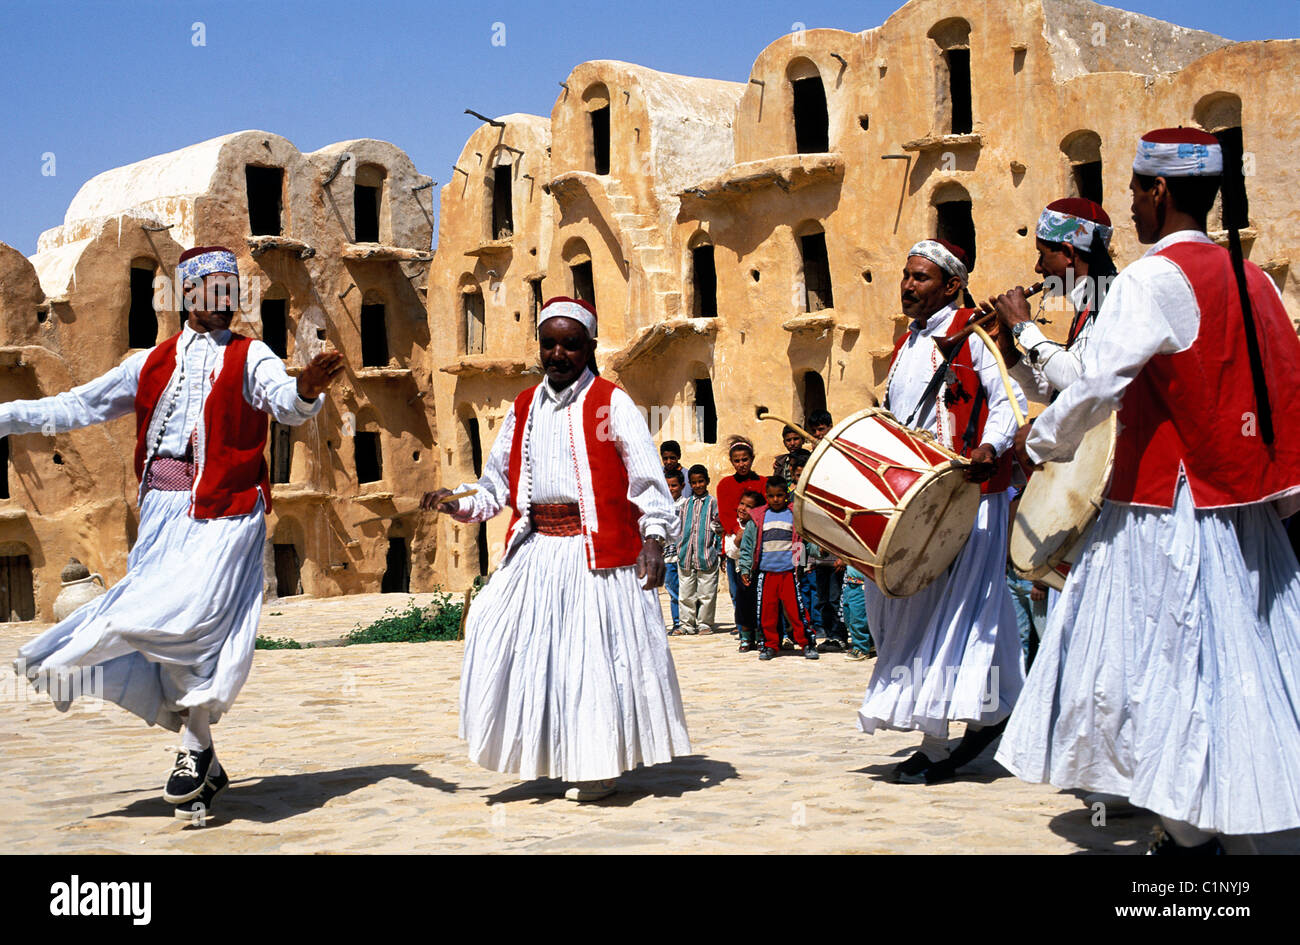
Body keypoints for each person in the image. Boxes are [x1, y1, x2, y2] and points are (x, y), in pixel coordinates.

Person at [998, 128, 1300, 854]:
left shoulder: (1150, 279)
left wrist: (1035, 444)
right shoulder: (1250, 274)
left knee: (1160, 678)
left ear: (1158, 191)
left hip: (1170, 512)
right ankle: (1228, 822)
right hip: (1246, 513)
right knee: (1247, 678)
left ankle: (1196, 834)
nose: (1129, 205)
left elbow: (1097, 381)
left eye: (1134, 189)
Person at [9, 245, 343, 820]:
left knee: (197, 623)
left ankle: (191, 750)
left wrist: (307, 386)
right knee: (149, 620)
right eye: (212, 288)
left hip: (227, 511)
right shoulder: (150, 362)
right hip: (164, 513)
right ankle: (202, 756)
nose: (225, 298)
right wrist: (7, 415)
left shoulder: (251, 355)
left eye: (231, 288)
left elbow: (284, 403)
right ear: (187, 296)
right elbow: (74, 408)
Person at [422, 297, 690, 803]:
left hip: (597, 555)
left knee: (590, 661)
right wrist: (455, 502)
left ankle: (596, 765)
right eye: (549, 343)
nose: (558, 353)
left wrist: (654, 537)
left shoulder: (613, 403)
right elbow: (495, 489)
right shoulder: (523, 407)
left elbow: (647, 480)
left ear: (590, 347)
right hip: (538, 550)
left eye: (570, 344)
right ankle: (551, 753)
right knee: (498, 630)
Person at [857, 238, 1027, 785]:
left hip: (970, 497)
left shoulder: (975, 335)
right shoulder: (908, 343)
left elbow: (1009, 406)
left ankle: (940, 741)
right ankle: (978, 721)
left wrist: (989, 449)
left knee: (959, 613)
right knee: (926, 609)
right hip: (917, 501)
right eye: (906, 275)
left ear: (951, 285)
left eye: (921, 278)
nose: (908, 285)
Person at [989, 197, 1118, 400]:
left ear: (1067, 253)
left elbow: (1075, 382)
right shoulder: (1087, 303)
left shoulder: (1109, 300)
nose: (1038, 267)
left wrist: (1022, 326)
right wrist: (1008, 352)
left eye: (1042, 255)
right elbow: (1061, 396)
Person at [739, 479, 818, 661]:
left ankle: (807, 644)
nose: (775, 499)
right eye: (771, 496)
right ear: (766, 496)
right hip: (766, 574)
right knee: (767, 612)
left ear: (786, 495)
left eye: (780, 495)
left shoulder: (794, 515)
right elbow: (748, 545)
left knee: (797, 611)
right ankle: (769, 645)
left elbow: (804, 541)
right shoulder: (758, 517)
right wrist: (745, 567)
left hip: (789, 573)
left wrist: (816, 553)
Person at [715, 437, 767, 630]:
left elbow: (764, 509)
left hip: (756, 542)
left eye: (745, 459)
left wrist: (751, 533)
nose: (741, 464)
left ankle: (757, 625)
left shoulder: (762, 482)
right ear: (732, 462)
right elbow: (725, 513)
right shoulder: (725, 485)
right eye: (737, 461)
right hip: (734, 543)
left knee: (754, 587)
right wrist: (738, 532)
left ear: (752, 459)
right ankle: (742, 626)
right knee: (736, 589)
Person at [676, 464, 722, 635]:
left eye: (701, 481)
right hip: (686, 554)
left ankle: (704, 623)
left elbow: (718, 527)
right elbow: (679, 527)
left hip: (706, 554)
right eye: (694, 483)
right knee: (686, 592)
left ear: (707, 481)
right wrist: (679, 546)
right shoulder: (685, 504)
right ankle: (687, 624)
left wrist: (717, 550)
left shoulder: (713, 503)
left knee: (707, 592)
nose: (697, 486)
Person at [726, 491, 764, 651]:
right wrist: (737, 539)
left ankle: (758, 636)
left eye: (749, 506)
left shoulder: (759, 525)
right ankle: (746, 637)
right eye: (742, 503)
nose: (743, 508)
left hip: (759, 570)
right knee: (743, 604)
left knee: (758, 604)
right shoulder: (733, 526)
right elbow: (730, 552)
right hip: (740, 570)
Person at [663, 467, 686, 634]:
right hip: (667, 556)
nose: (671, 489)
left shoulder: (687, 505)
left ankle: (691, 622)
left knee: (688, 591)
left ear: (682, 486)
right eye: (668, 486)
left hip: (684, 555)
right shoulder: (661, 507)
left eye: (674, 485)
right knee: (673, 591)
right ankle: (677, 623)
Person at [840, 565, 875, 661]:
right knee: (848, 616)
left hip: (863, 584)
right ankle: (870, 643)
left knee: (858, 618)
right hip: (851, 583)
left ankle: (861, 648)